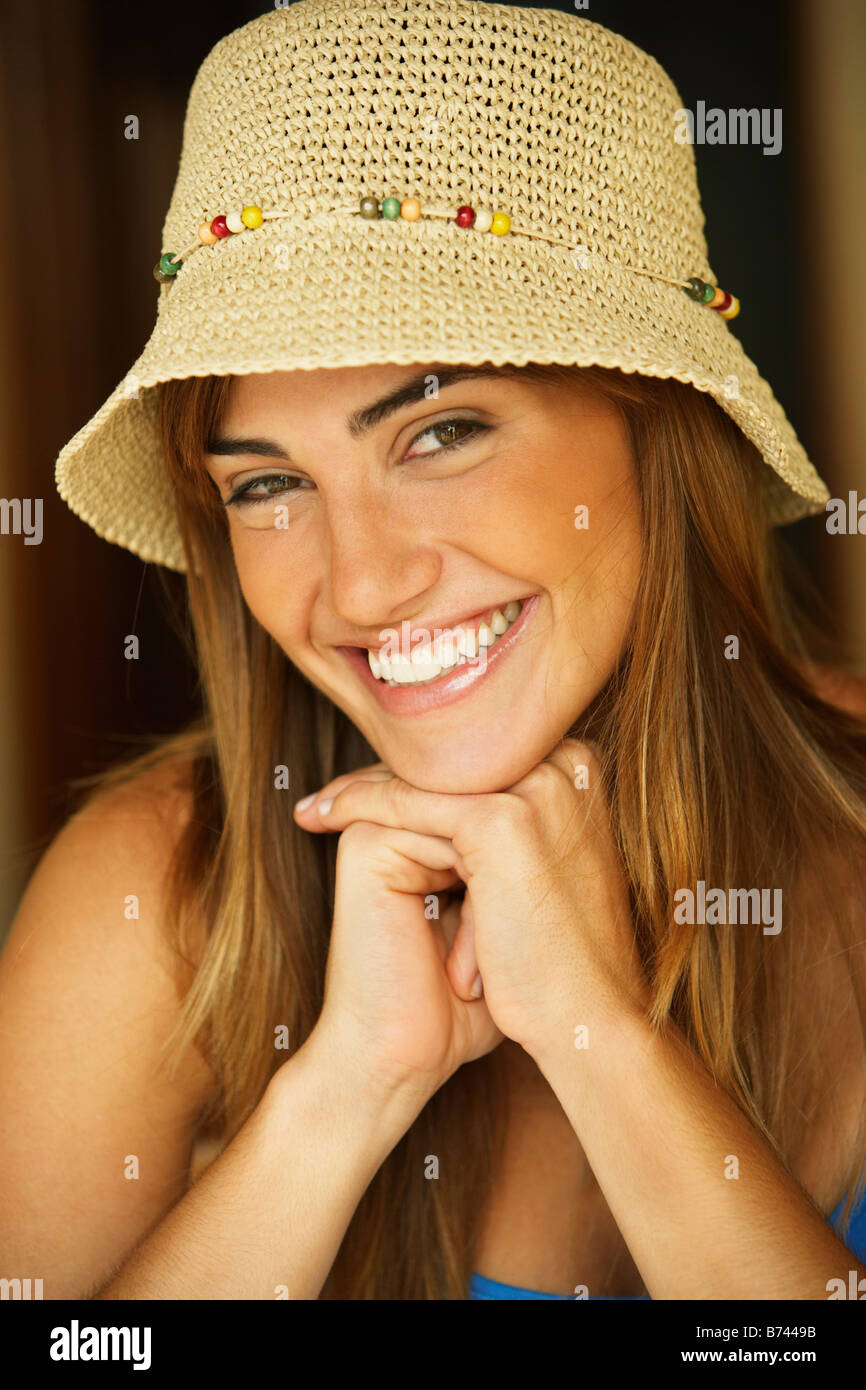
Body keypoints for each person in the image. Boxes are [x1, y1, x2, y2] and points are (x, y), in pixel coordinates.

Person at [2, 0, 865, 1301]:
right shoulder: (148, 900)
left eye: (441, 433)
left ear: (661, 430)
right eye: (265, 484)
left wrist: (603, 1039)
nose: (359, 584)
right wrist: (346, 1087)